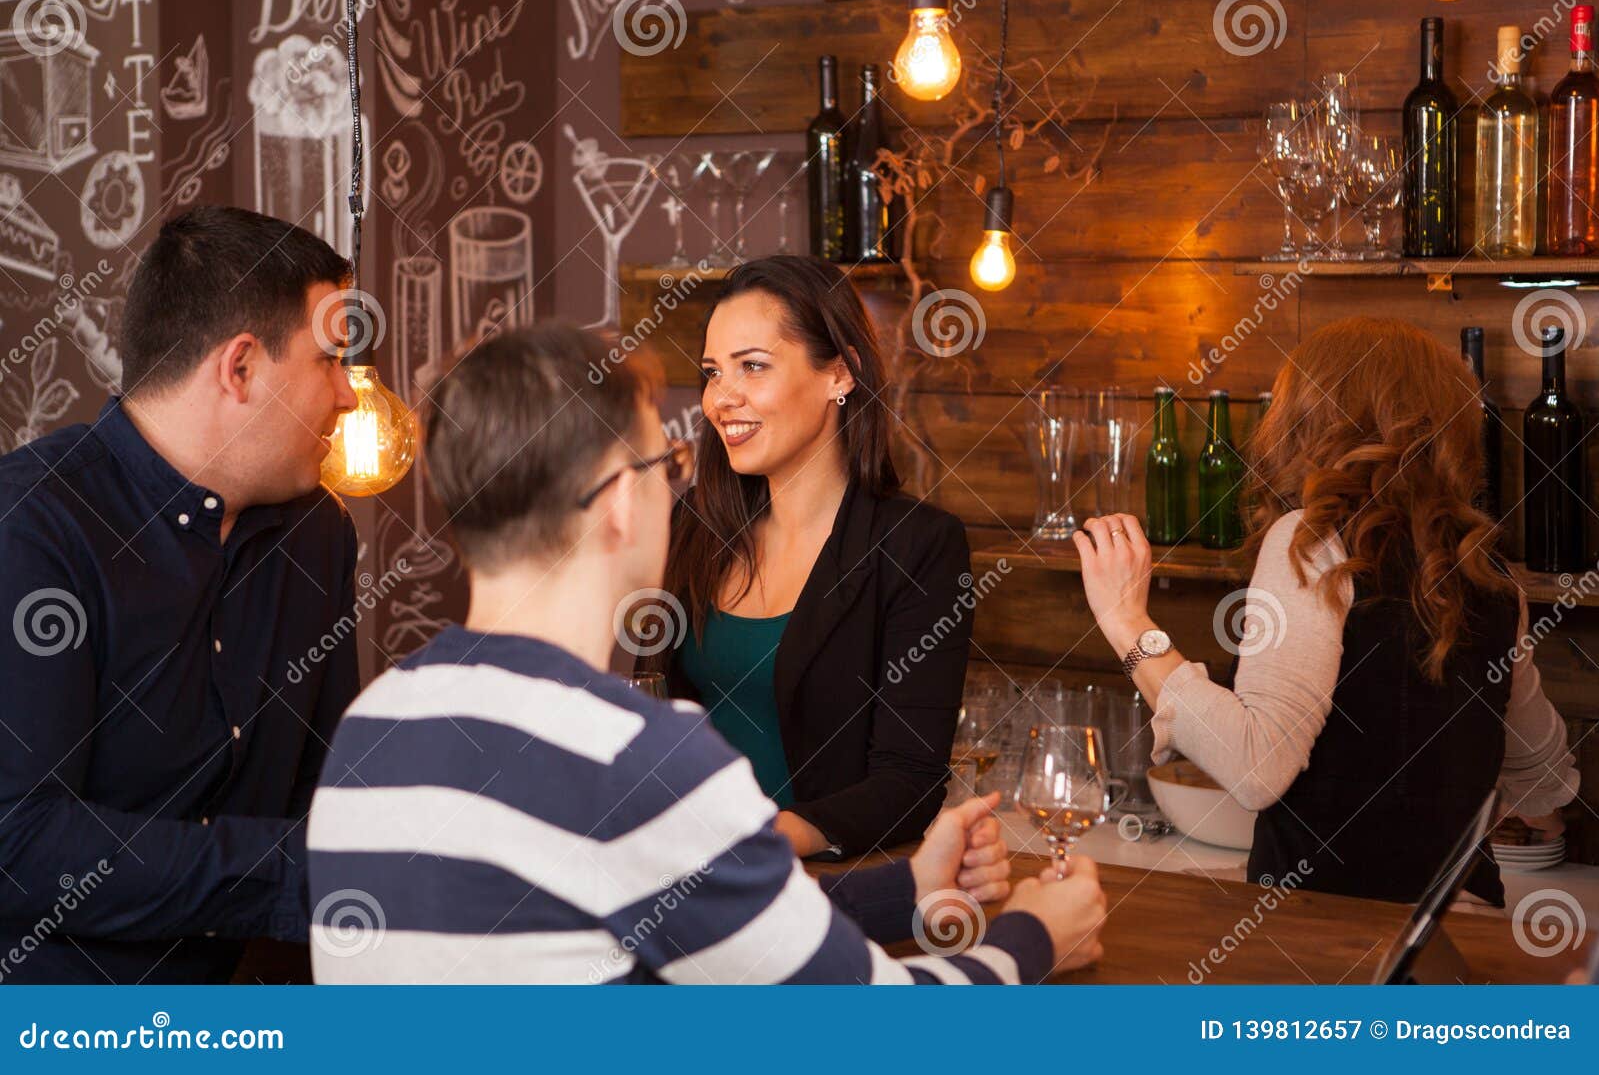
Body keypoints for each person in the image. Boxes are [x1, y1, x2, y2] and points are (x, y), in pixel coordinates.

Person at [307, 324, 1107, 984]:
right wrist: (1034, 937)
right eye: (668, 464)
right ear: (622, 499)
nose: (680, 487)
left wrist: (906, 889)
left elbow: (665, 931)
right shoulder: (641, 759)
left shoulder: (372, 725)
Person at [1073, 317, 1579, 905]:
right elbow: (1543, 774)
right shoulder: (1486, 574)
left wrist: (1128, 623)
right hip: (1456, 928)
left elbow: (1255, 767)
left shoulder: (1312, 545)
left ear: (1309, 419)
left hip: (1326, 935)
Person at [0, 205, 362, 983]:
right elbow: (21, 844)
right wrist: (288, 879)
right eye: (330, 361)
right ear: (239, 367)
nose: (349, 396)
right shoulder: (30, 528)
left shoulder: (319, 534)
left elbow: (328, 796)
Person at [655, 255, 970, 860]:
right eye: (713, 372)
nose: (722, 398)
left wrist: (769, 841)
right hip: (681, 878)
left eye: (753, 366)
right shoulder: (692, 524)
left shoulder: (917, 546)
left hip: (824, 892)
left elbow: (909, 782)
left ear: (841, 374)